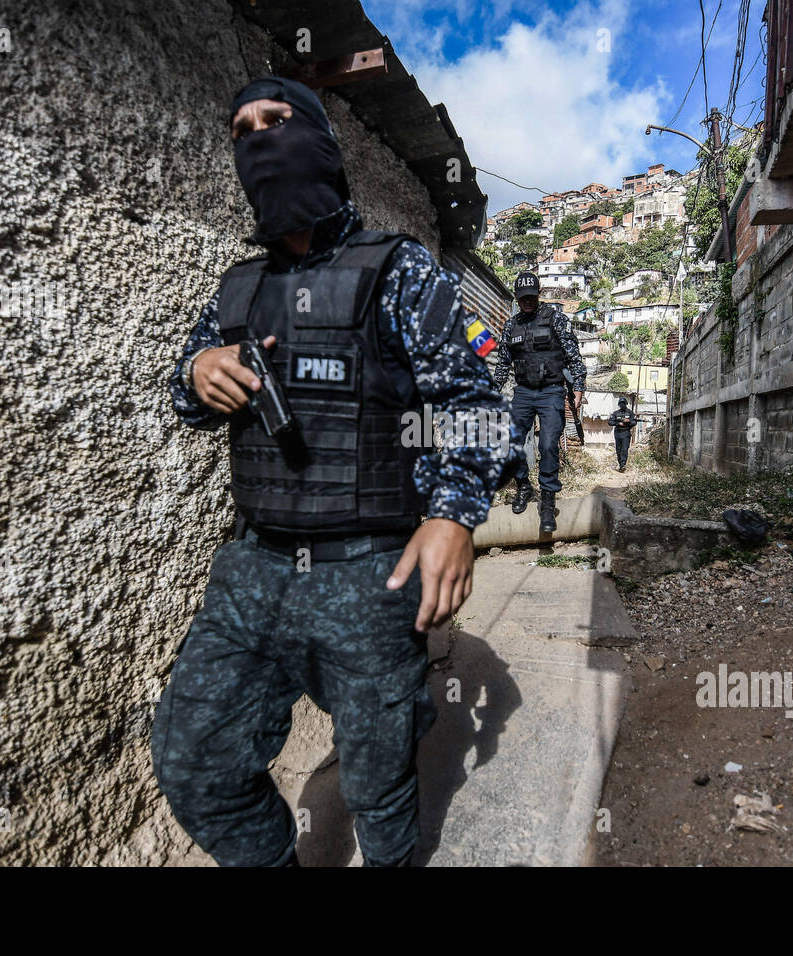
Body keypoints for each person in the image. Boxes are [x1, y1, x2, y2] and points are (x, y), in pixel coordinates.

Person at [151, 76, 522, 868]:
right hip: (252, 566)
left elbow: (474, 405)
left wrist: (452, 516)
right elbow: (179, 399)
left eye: (277, 120)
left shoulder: (399, 270)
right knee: (195, 758)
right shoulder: (237, 290)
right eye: (243, 129)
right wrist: (198, 371)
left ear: (320, 137)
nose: (260, 138)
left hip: (370, 567)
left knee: (379, 781)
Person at [490, 272, 586, 532]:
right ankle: (523, 486)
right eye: (523, 299)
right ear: (517, 298)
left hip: (551, 391)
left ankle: (547, 501)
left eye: (531, 297)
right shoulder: (511, 326)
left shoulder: (556, 320)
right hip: (523, 392)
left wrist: (578, 387)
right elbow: (501, 366)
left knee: (547, 444)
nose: (527, 302)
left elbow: (574, 357)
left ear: (539, 293)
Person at [606, 396, 640, 472]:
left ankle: (623, 465)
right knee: (618, 450)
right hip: (618, 432)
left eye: (623, 403)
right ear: (619, 404)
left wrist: (628, 421)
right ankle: (620, 464)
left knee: (624, 449)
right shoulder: (616, 413)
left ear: (626, 404)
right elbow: (610, 422)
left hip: (626, 432)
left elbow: (634, 422)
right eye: (621, 403)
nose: (622, 405)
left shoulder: (630, 412)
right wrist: (618, 423)